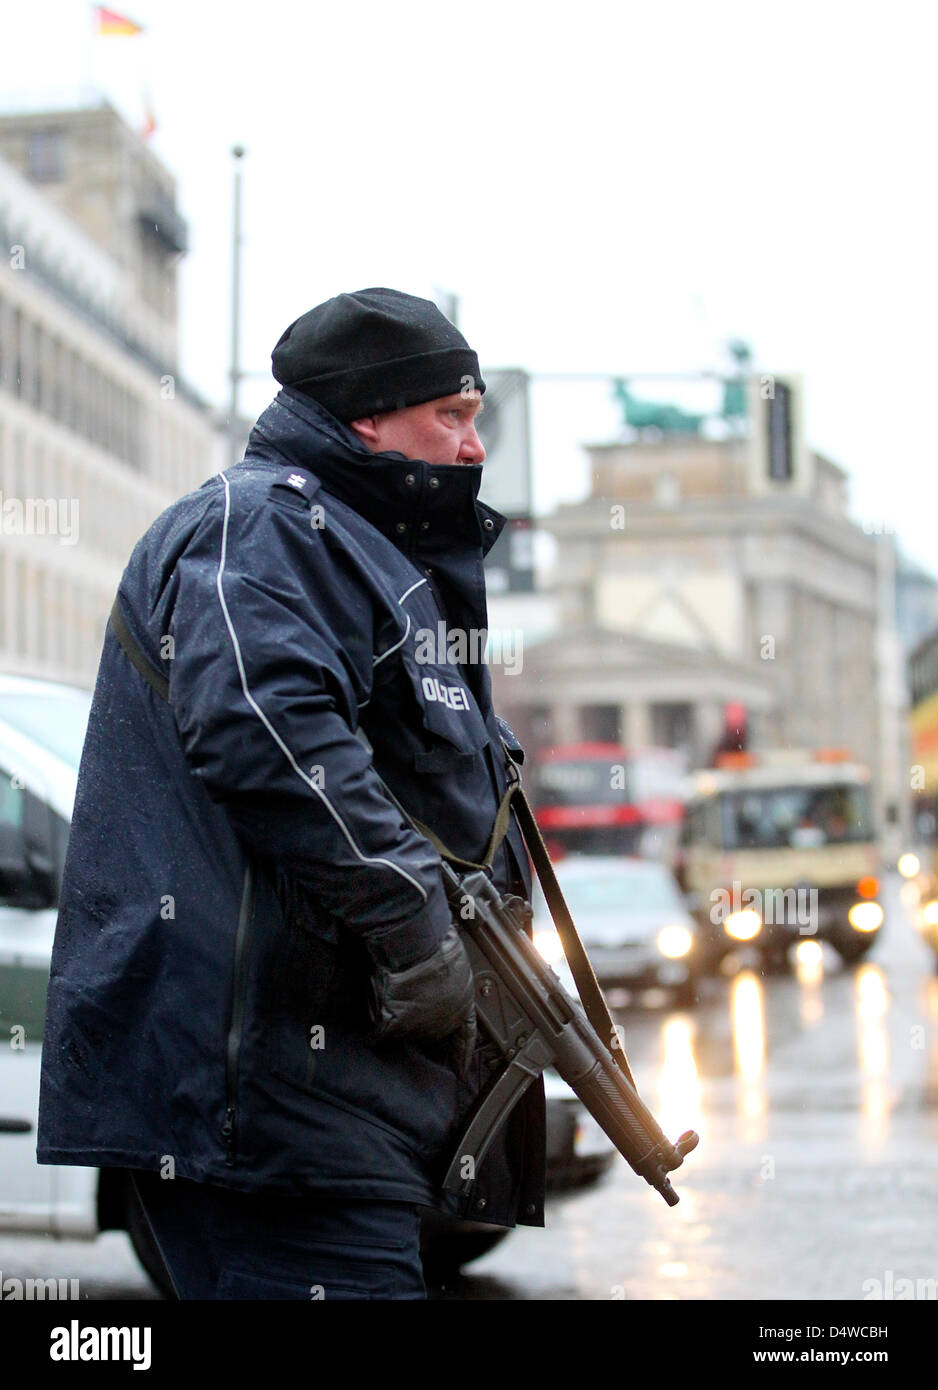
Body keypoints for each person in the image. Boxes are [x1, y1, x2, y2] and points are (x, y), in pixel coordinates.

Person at [37, 287, 545, 1299]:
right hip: (267, 1102)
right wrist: (412, 928)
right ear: (366, 416)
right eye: (450, 414)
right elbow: (265, 731)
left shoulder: (362, 553)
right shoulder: (263, 527)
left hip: (332, 1099)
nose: (473, 444)